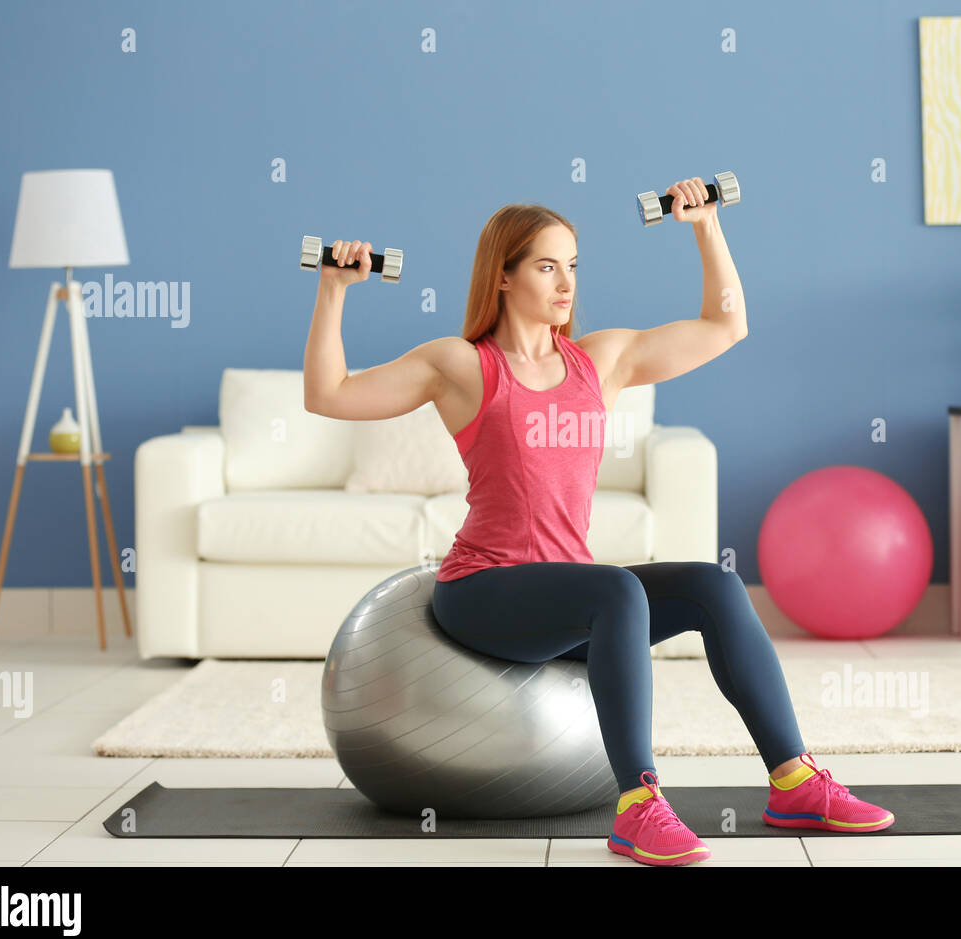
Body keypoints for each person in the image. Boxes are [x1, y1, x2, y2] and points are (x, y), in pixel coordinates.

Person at [303, 179, 894, 866]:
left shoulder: (599, 361)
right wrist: (333, 291)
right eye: (548, 266)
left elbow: (726, 325)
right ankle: (638, 806)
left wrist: (704, 224)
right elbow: (328, 395)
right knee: (616, 589)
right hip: (483, 591)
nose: (566, 283)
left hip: (566, 596)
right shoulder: (463, 366)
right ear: (504, 275)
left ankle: (794, 781)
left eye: (574, 266)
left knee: (714, 586)